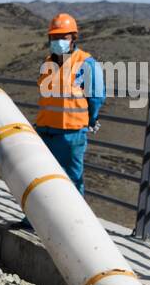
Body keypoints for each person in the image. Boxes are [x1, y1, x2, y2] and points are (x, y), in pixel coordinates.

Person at [36, 13, 105, 196]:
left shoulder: (86, 63)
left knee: (72, 181)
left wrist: (92, 118)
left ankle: (74, 223)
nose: (58, 40)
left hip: (71, 134)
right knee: (41, 179)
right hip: (44, 131)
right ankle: (36, 219)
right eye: (54, 37)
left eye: (63, 36)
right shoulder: (48, 62)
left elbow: (96, 97)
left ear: (73, 37)